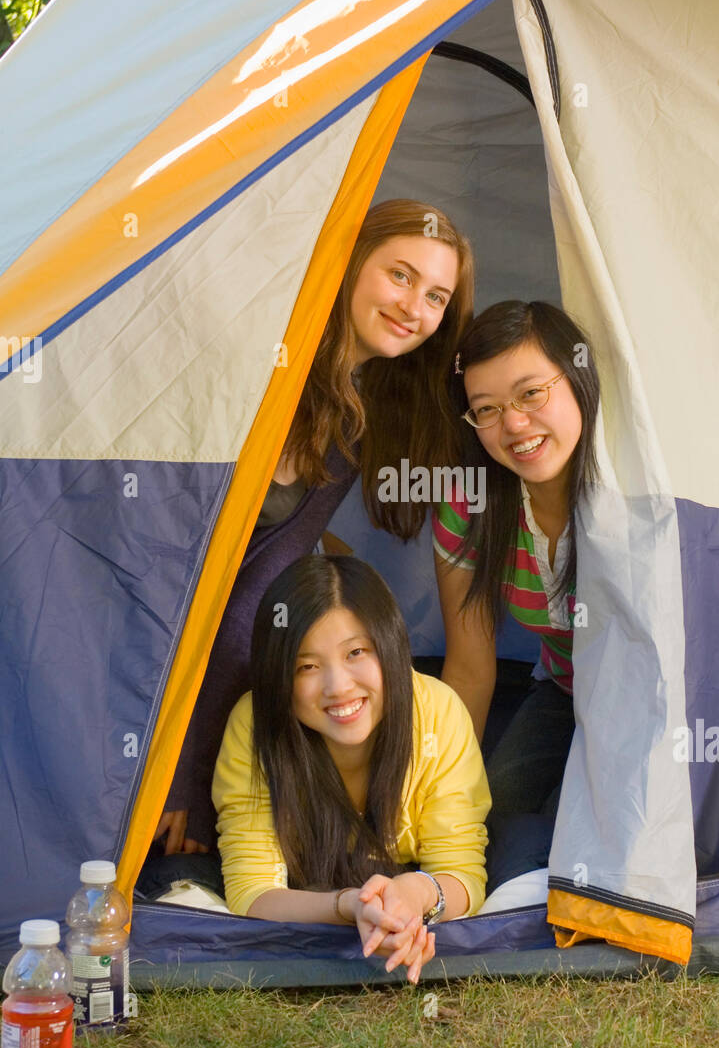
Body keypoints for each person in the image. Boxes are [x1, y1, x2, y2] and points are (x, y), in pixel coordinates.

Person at [153, 199, 475, 858]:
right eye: (400, 276)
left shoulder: (349, 424)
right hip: (134, 633)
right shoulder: (262, 366)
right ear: (350, 265)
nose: (415, 307)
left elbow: (253, 601)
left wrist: (190, 777)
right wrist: (171, 773)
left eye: (437, 296)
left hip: (204, 656)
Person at [212, 555, 491, 984]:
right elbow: (253, 895)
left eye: (356, 652)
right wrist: (348, 906)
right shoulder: (255, 725)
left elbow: (462, 874)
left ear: (390, 645)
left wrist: (414, 897)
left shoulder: (438, 712)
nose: (338, 686)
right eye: (307, 666)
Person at [431, 300, 600, 844]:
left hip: (646, 699)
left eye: (531, 393)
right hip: (564, 687)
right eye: (486, 408)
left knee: (583, 826)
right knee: (496, 817)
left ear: (576, 378)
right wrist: (444, 798)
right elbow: (469, 668)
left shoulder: (632, 490)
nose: (515, 425)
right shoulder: (468, 504)